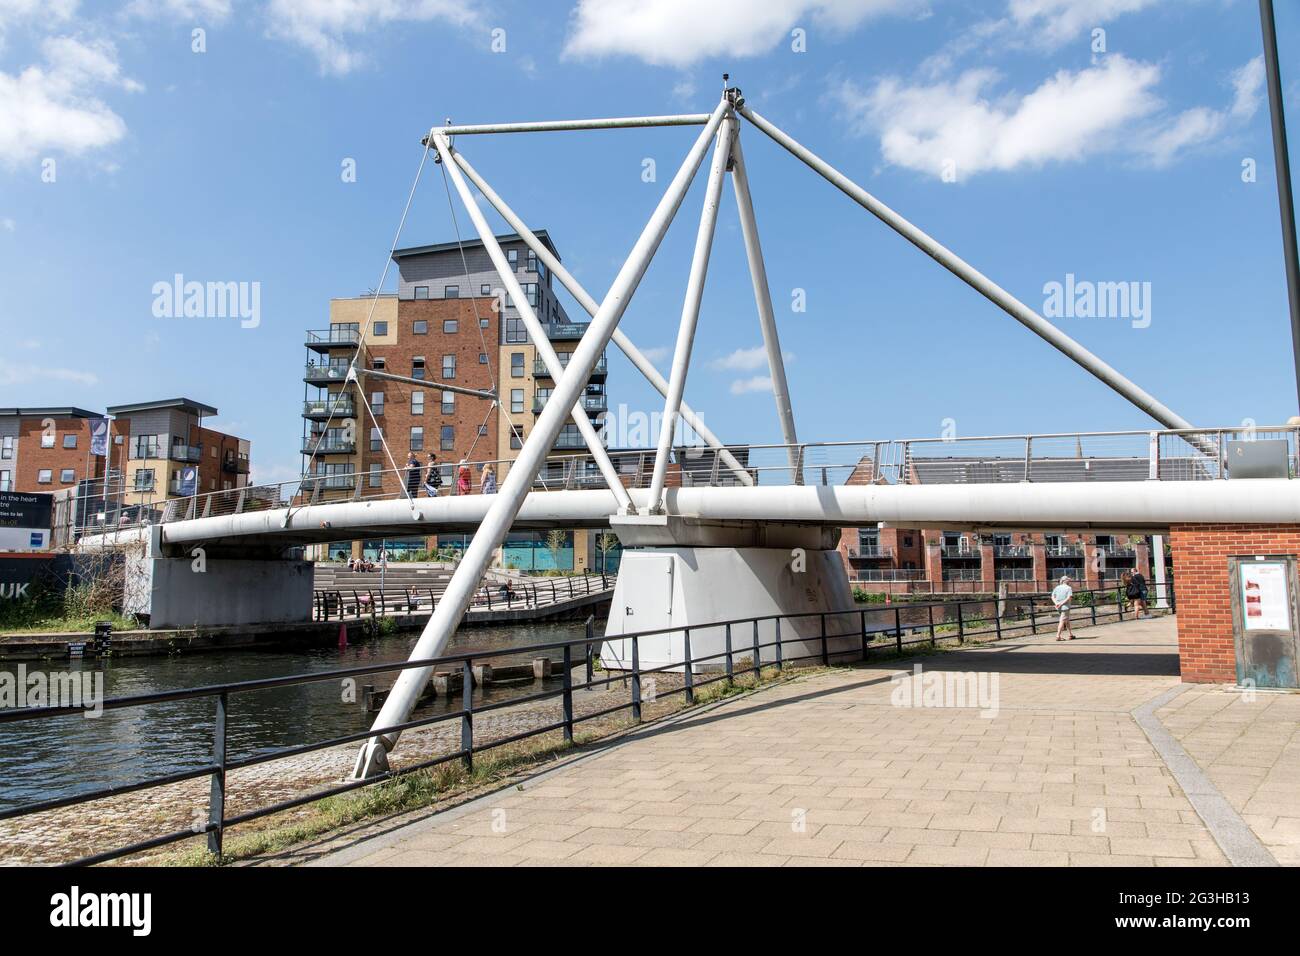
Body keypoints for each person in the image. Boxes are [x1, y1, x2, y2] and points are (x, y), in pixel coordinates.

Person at [1051, 574, 1075, 641]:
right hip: (1065, 607)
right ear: (1065, 581)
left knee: (1066, 620)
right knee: (1062, 621)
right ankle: (1058, 636)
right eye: (1068, 579)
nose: (1069, 581)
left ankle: (1070, 634)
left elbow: (1052, 596)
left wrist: (1056, 603)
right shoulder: (1068, 588)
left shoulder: (1057, 587)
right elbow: (1069, 598)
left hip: (1058, 607)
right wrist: (1061, 604)